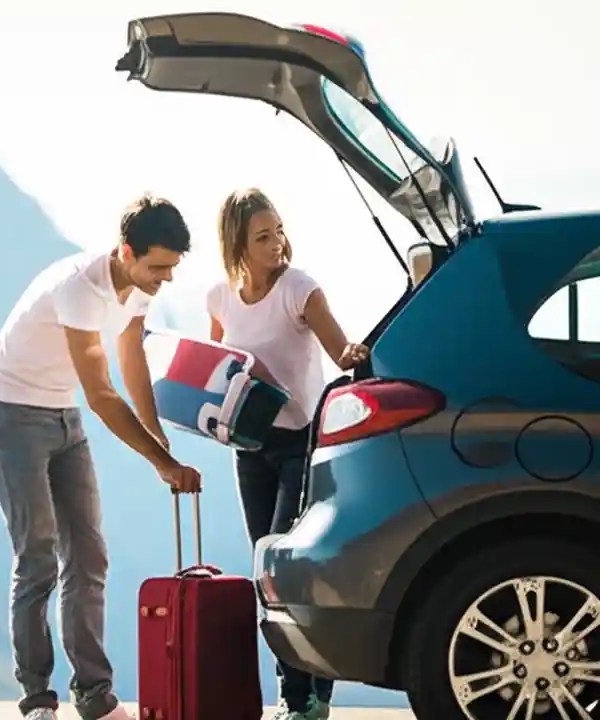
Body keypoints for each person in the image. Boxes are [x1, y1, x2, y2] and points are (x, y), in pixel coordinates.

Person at [0, 193, 203, 720]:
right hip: (10, 416)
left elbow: (132, 363)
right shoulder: (80, 288)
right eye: (158, 266)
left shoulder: (138, 289)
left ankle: (96, 697)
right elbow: (101, 394)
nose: (165, 279)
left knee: (89, 555)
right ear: (127, 250)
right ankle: (36, 699)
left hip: (61, 415)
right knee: (37, 557)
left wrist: (158, 441)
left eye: (172, 269)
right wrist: (158, 463)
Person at [207, 188, 368, 720]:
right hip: (249, 450)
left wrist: (356, 354)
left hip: (302, 445)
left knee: (284, 568)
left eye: (277, 230)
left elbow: (340, 351)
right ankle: (313, 687)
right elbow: (217, 369)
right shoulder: (219, 298)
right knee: (266, 570)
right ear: (238, 243)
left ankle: (299, 699)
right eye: (262, 236)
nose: (276, 243)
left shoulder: (300, 289)